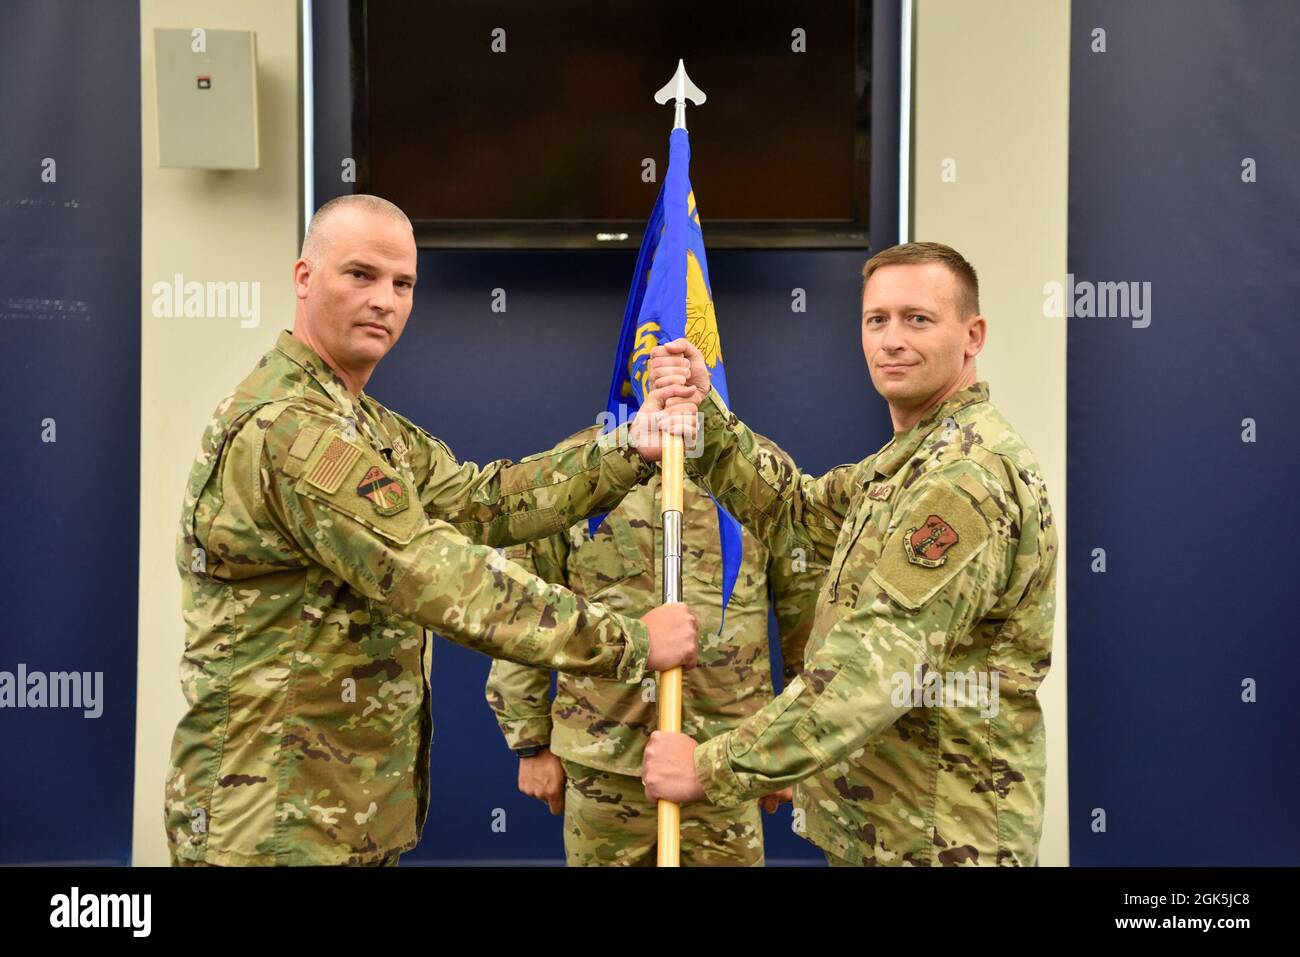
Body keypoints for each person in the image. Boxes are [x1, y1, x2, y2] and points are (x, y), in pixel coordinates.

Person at [165, 194, 700, 866]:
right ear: (304, 277)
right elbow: (434, 574)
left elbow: (482, 502)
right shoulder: (290, 432)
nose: (384, 300)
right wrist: (627, 639)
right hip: (275, 826)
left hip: (338, 815)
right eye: (360, 275)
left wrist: (629, 447)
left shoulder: (364, 424)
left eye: (403, 283)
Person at [641, 242, 1058, 866]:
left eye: (918, 319)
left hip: (938, 839)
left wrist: (712, 766)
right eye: (877, 320)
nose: (892, 339)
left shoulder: (963, 478)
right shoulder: (909, 462)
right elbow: (797, 513)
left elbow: (872, 669)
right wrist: (704, 421)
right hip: (886, 828)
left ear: (972, 335)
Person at [485, 425, 826, 866]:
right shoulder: (578, 464)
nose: (668, 365)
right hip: (603, 756)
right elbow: (527, 605)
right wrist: (529, 741)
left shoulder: (753, 466)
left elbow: (808, 618)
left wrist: (788, 746)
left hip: (726, 756)